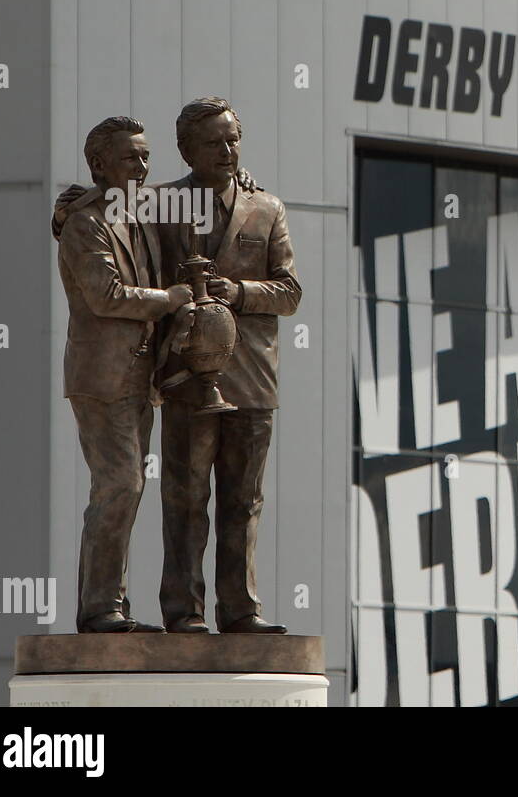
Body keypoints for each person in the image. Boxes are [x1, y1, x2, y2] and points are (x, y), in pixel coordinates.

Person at [155, 97, 301, 634]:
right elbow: (125, 253)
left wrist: (237, 291)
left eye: (232, 138)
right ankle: (184, 611)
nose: (227, 149)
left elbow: (289, 292)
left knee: (244, 499)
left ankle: (240, 609)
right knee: (184, 497)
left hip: (252, 377)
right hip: (186, 376)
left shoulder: (268, 207)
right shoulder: (161, 206)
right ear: (186, 150)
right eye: (213, 141)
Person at [56, 116, 193, 634]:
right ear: (98, 165)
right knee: (120, 484)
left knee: (126, 489)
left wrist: (240, 180)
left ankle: (112, 605)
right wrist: (169, 300)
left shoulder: (137, 212)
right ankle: (99, 610)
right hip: (101, 377)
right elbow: (106, 296)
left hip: (137, 378)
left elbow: (193, 192)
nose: (143, 166)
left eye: (145, 156)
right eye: (131, 157)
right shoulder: (85, 223)